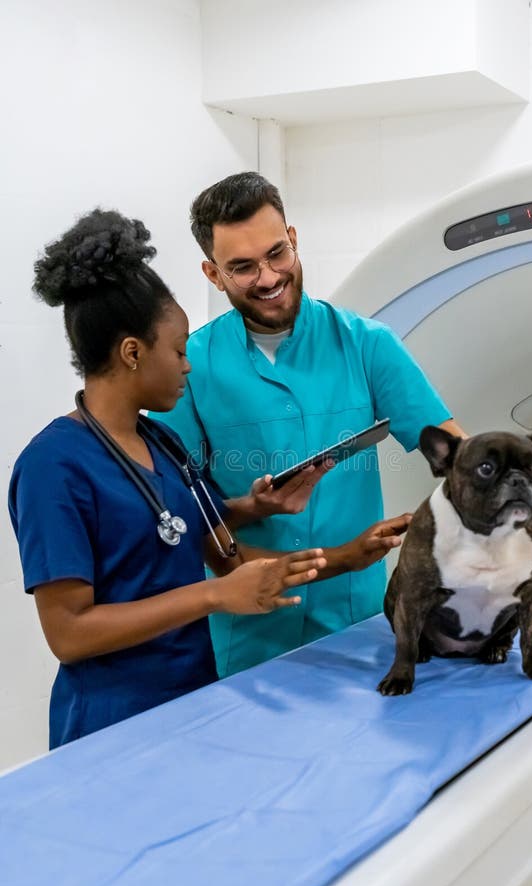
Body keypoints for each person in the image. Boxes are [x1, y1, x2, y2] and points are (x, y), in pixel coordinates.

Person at [8, 209, 410, 749]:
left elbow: (212, 541)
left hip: (196, 701)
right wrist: (214, 597)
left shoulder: (162, 443)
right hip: (112, 724)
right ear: (132, 353)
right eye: (177, 352)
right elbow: (69, 633)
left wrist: (316, 540)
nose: (188, 366)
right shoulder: (54, 466)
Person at [153, 172, 467, 677]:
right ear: (213, 275)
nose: (269, 276)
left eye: (277, 253)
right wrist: (250, 507)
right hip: (247, 636)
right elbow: (176, 511)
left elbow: (460, 456)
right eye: (243, 267)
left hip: (355, 623)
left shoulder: (368, 345)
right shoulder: (189, 365)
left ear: (293, 240)